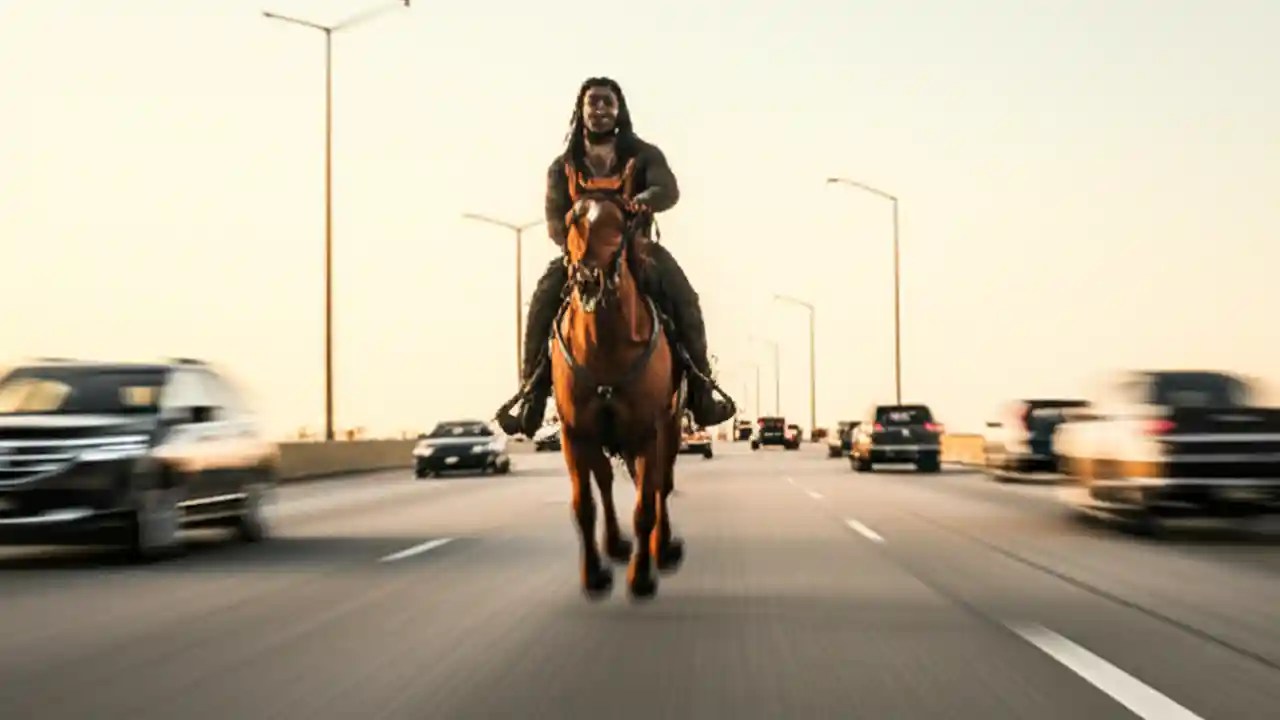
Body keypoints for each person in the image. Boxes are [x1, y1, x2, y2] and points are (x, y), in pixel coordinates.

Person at [495, 76, 735, 438]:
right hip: (581, 258)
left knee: (685, 297)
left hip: (637, 249)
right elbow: (555, 223)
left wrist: (645, 199)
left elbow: (667, 189)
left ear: (619, 109)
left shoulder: (644, 155)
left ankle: (702, 393)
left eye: (607, 102)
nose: (600, 109)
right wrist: (577, 245)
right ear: (581, 110)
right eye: (593, 102)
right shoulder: (562, 166)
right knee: (541, 303)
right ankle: (532, 398)